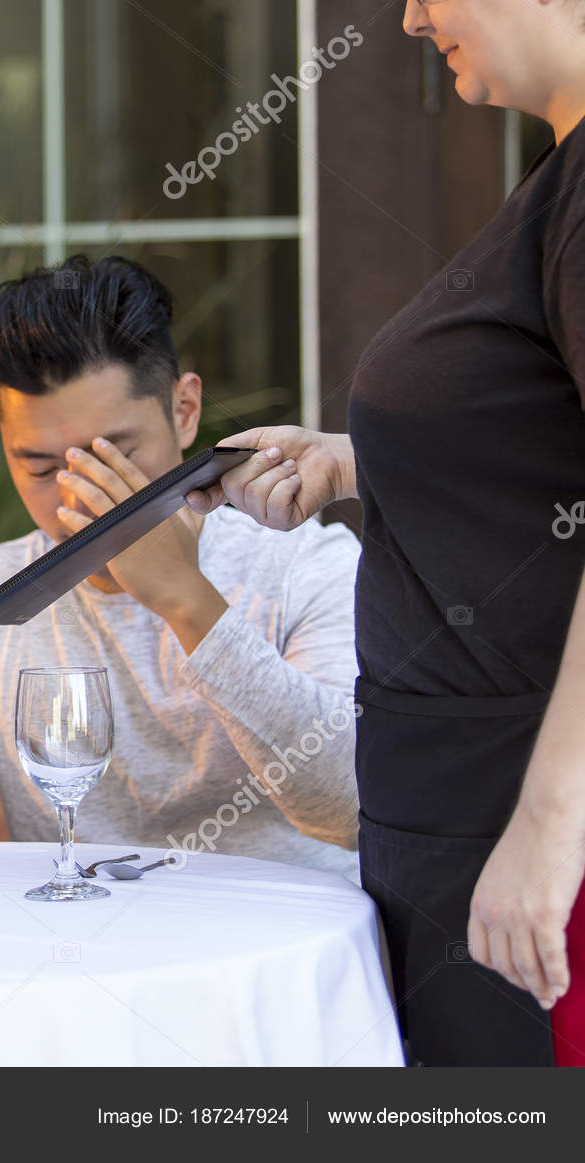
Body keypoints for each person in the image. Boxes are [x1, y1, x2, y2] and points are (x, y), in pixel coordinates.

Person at [185, 0, 585, 1069]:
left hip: (512, 820)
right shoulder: (557, 178)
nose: (410, 17)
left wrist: (549, 833)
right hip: (456, 811)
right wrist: (357, 461)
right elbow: (542, 448)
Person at [0, 255, 363, 877]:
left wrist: (188, 602)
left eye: (112, 458)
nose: (78, 499)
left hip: (283, 958)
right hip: (75, 957)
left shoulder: (307, 565)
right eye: (41, 467)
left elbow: (355, 806)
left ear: (184, 411)